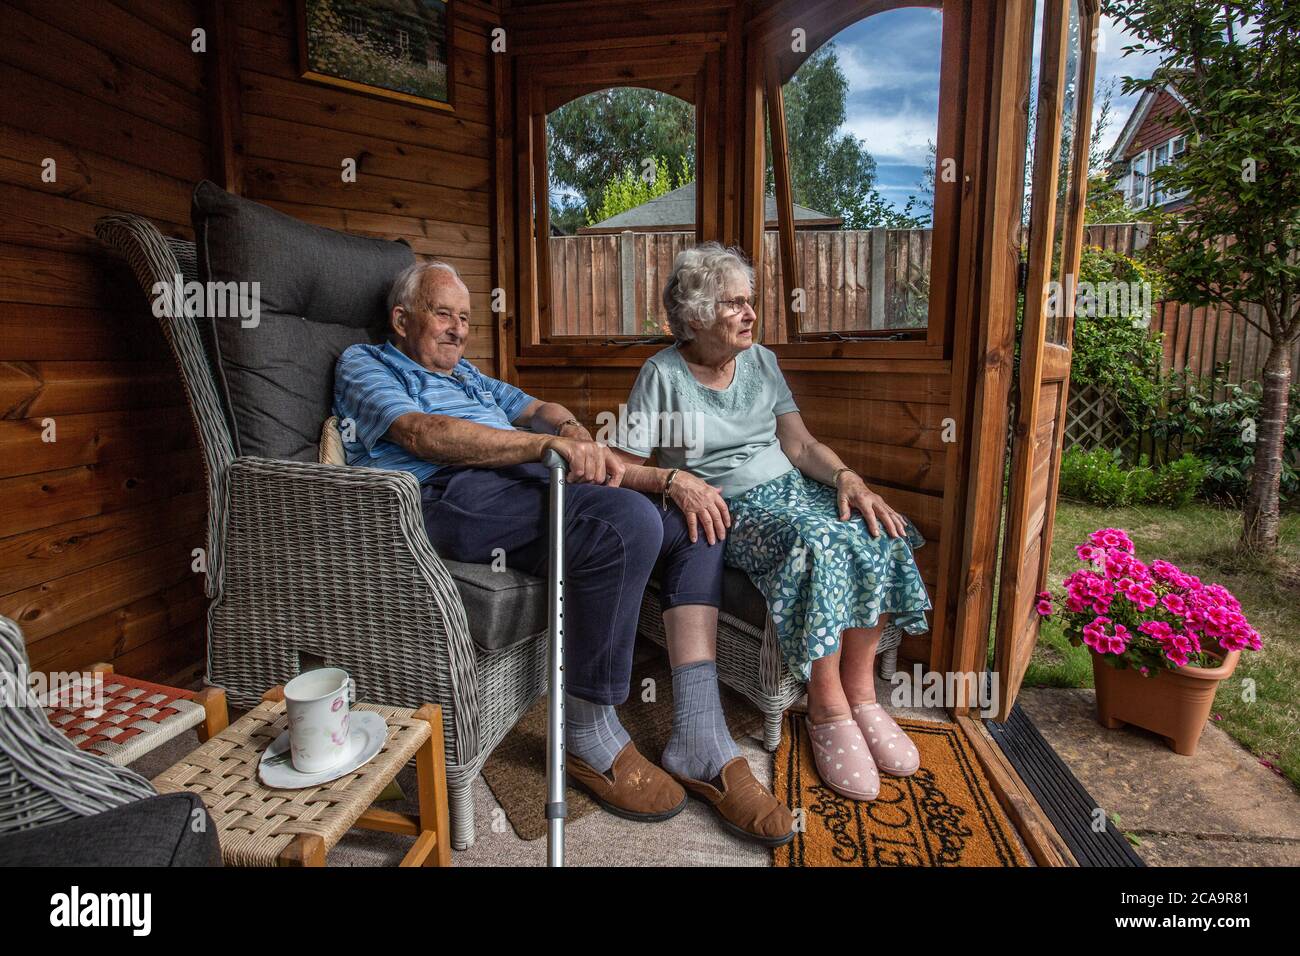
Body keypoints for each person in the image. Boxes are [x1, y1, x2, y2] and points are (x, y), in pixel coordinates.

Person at [333, 260, 793, 845]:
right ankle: (587, 732)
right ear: (401, 319)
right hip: (444, 492)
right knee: (625, 522)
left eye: (465, 318)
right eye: (443, 314)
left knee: (697, 520)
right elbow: (424, 435)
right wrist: (548, 445)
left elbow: (536, 408)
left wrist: (570, 428)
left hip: (519, 474)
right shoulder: (366, 363)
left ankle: (700, 734)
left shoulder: (469, 376)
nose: (457, 329)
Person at [611, 243, 933, 802]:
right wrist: (673, 481)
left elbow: (800, 444)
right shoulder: (661, 375)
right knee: (818, 541)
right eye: (734, 304)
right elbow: (624, 467)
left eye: (749, 301)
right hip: (732, 508)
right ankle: (827, 706)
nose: (750, 314)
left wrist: (847, 479)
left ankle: (863, 696)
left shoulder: (761, 361)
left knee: (874, 524)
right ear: (695, 315)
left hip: (792, 487)